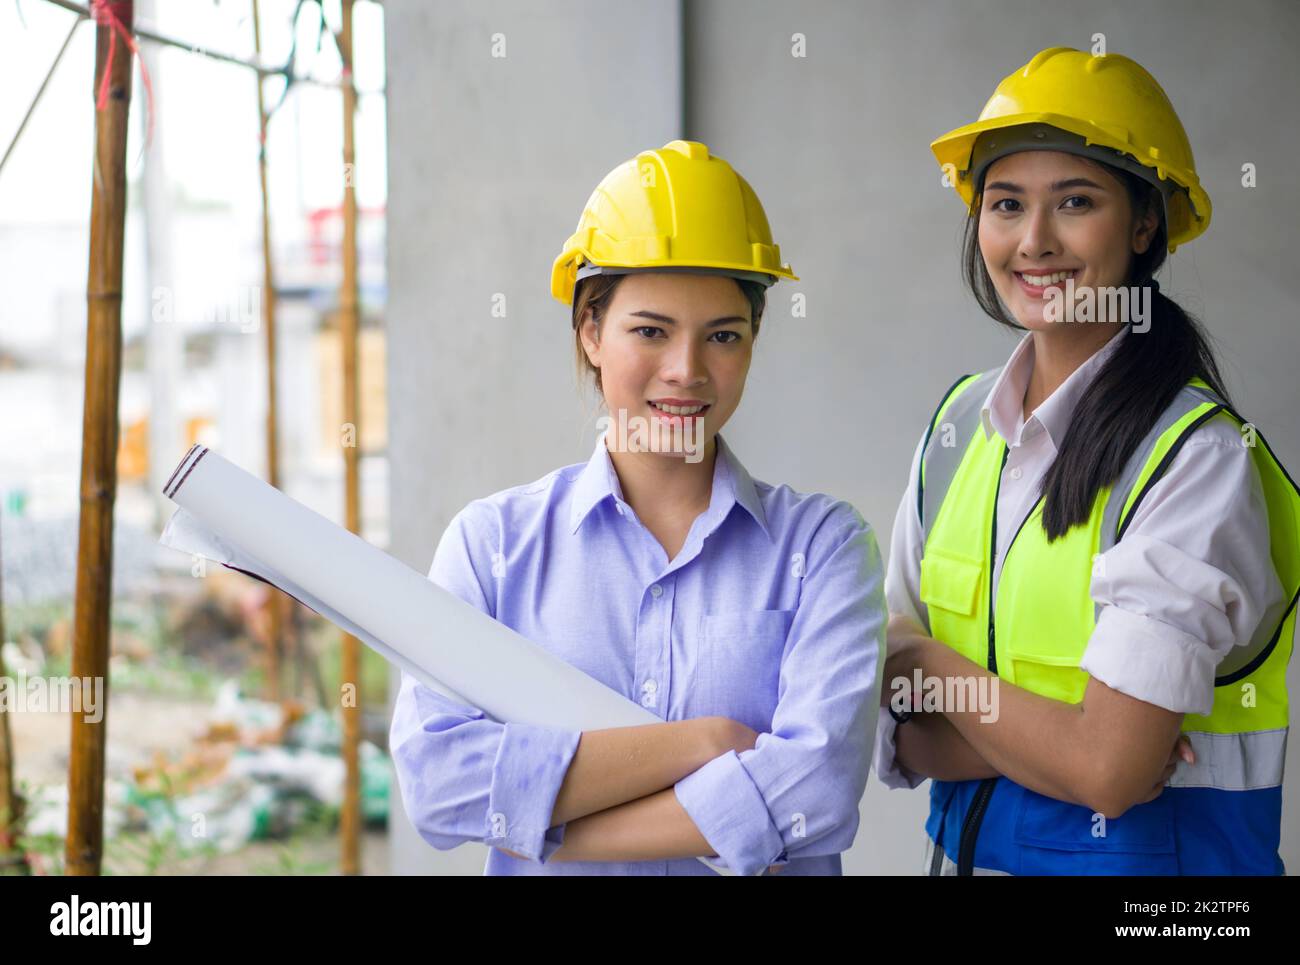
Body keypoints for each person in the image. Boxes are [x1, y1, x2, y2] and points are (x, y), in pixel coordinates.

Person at [390, 140, 886, 875]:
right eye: (650, 330)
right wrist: (707, 741)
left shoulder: (824, 547)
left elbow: (815, 794)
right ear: (590, 330)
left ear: (753, 341)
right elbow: (438, 781)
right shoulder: (492, 544)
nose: (686, 370)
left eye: (723, 335)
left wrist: (547, 821)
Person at [874, 47, 1299, 874]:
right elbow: (888, 719)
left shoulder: (1193, 458)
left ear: (1145, 224)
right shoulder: (959, 428)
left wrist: (926, 664)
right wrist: (1069, 744)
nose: (1034, 241)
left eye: (1075, 202)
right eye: (1006, 204)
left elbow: (1106, 770)